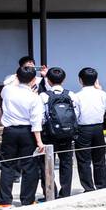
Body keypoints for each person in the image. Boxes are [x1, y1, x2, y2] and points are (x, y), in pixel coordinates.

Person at [0, 64, 45, 209]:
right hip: (28, 132)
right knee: (29, 166)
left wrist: (17, 76)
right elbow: (36, 122)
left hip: (9, 131)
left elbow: (10, 82)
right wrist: (39, 142)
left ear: (17, 76)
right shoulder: (34, 97)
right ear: (34, 80)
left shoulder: (7, 91)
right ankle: (28, 200)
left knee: (7, 165)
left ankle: (4, 201)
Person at [39, 67, 78, 199]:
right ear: (64, 79)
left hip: (49, 134)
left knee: (47, 164)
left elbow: (41, 118)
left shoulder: (43, 96)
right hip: (67, 133)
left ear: (48, 80)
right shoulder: (71, 94)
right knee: (66, 162)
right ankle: (65, 193)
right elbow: (76, 114)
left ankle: (51, 193)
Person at [73, 67, 106, 191]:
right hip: (98, 128)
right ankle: (102, 185)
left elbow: (75, 114)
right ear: (96, 80)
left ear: (80, 80)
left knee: (83, 160)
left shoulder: (77, 96)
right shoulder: (101, 93)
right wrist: (100, 90)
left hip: (83, 128)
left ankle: (88, 187)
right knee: (99, 158)